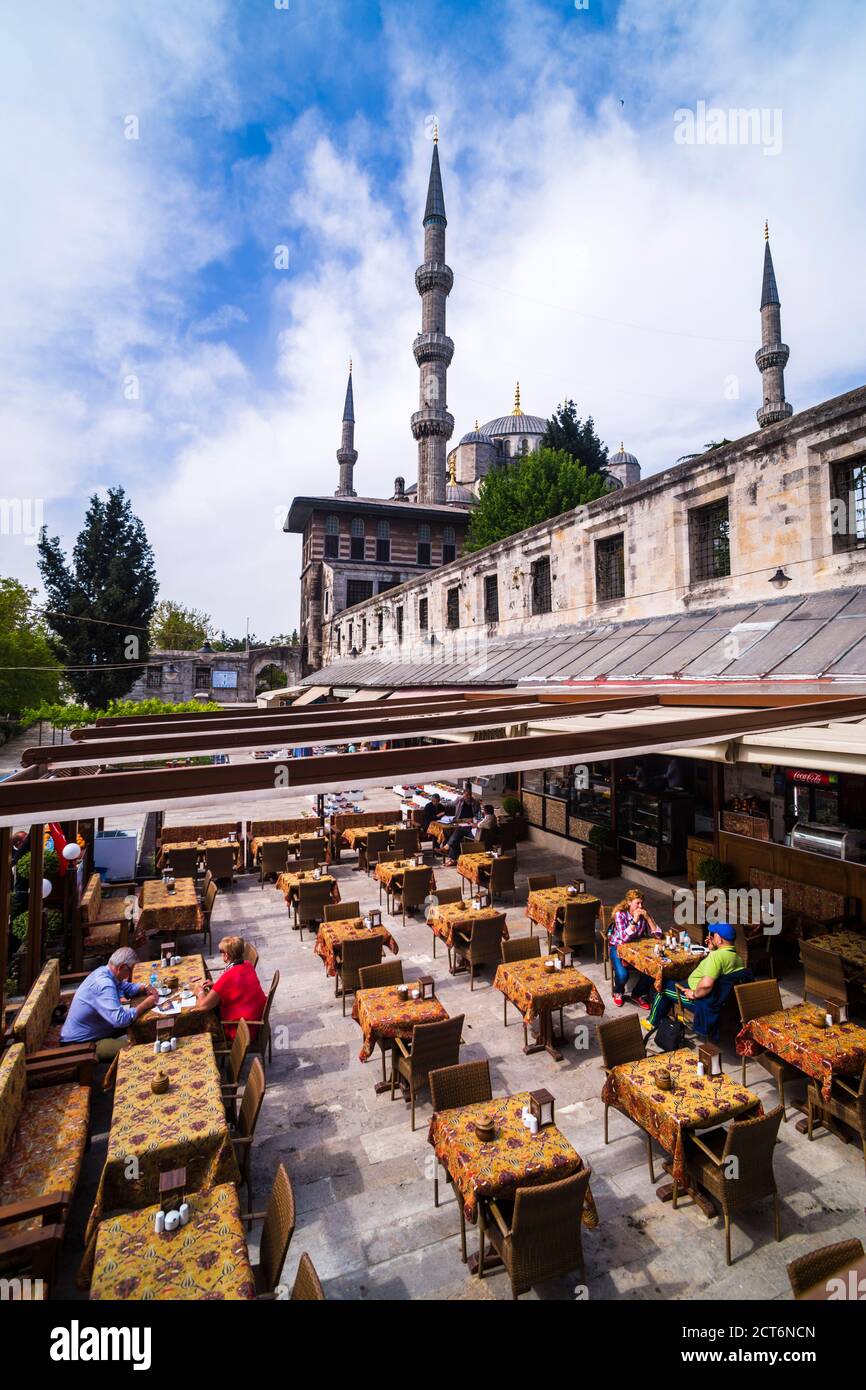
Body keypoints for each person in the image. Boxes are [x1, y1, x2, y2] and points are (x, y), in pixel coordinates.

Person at [60, 947, 158, 1061]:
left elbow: (125, 987)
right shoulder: (104, 984)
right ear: (121, 967)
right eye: (130, 971)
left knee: (144, 1028)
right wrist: (146, 1004)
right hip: (81, 1043)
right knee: (140, 1048)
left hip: (101, 1028)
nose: (129, 975)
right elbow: (120, 1020)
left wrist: (144, 987)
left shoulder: (106, 971)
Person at [647, 922, 745, 1031]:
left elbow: (706, 985)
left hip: (699, 999)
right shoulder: (738, 958)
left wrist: (694, 994)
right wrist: (712, 949)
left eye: (714, 934)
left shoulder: (717, 958)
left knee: (663, 986)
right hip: (719, 1000)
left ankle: (652, 1022)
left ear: (720, 940)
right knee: (674, 981)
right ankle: (668, 1017)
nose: (711, 936)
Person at [194, 935, 267, 1040]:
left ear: (226, 955)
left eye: (221, 952)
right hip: (255, 1020)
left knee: (202, 1022)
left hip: (242, 1030)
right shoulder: (247, 965)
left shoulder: (228, 977)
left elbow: (202, 1006)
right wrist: (216, 986)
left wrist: (200, 992)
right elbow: (238, 987)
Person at [608, 889, 662, 1009]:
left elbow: (658, 935)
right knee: (623, 975)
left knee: (653, 970)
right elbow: (624, 938)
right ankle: (618, 991)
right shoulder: (620, 915)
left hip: (637, 950)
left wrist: (648, 918)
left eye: (642, 903)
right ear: (629, 902)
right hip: (617, 947)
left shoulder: (644, 914)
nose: (640, 906)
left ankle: (637, 994)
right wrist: (634, 921)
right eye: (637, 903)